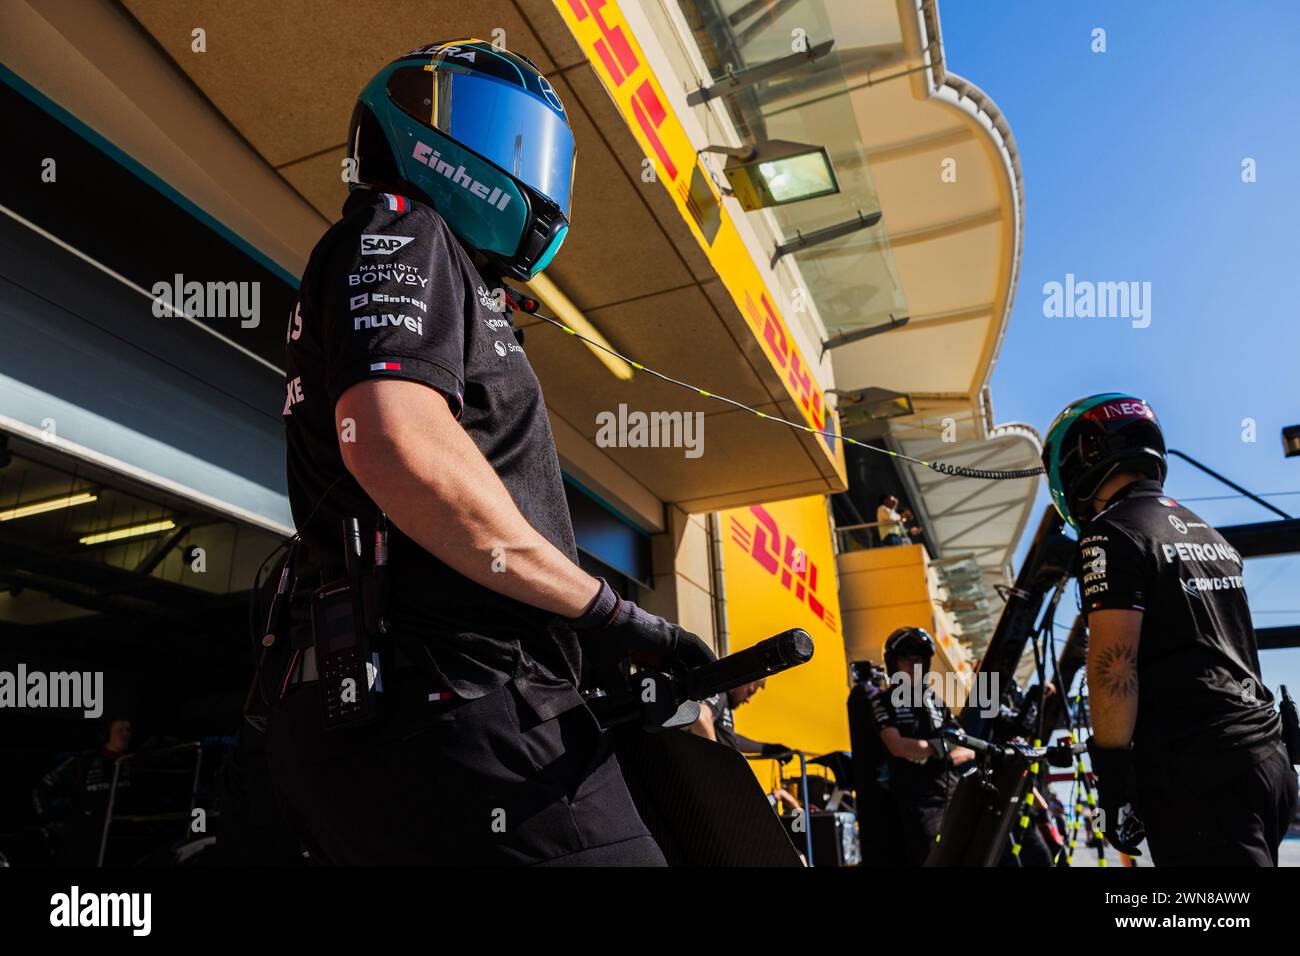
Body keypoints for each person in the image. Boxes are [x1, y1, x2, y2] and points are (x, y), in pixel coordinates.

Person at [269, 39, 714, 866]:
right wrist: (612, 615)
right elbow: (400, 447)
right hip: (468, 707)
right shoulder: (404, 227)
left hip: (391, 702)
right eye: (488, 127)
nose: (518, 167)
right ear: (414, 123)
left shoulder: (426, 263)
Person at [1042, 392, 1297, 866]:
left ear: (1077, 461)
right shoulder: (1208, 533)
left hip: (1202, 772)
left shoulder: (1110, 532)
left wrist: (1114, 781)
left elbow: (1114, 665)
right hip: (1268, 757)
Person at [867, 627, 974, 865]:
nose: (913, 666)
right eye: (907, 660)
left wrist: (928, 750)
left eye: (919, 661)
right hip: (918, 806)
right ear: (893, 663)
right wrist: (941, 748)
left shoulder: (935, 700)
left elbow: (968, 747)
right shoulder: (882, 701)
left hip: (954, 797)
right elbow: (897, 746)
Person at [691, 679, 790, 757]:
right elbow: (701, 718)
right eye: (750, 692)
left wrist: (766, 748)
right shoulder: (721, 694)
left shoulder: (727, 705)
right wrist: (716, 761)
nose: (748, 700)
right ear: (742, 681)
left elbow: (730, 740)